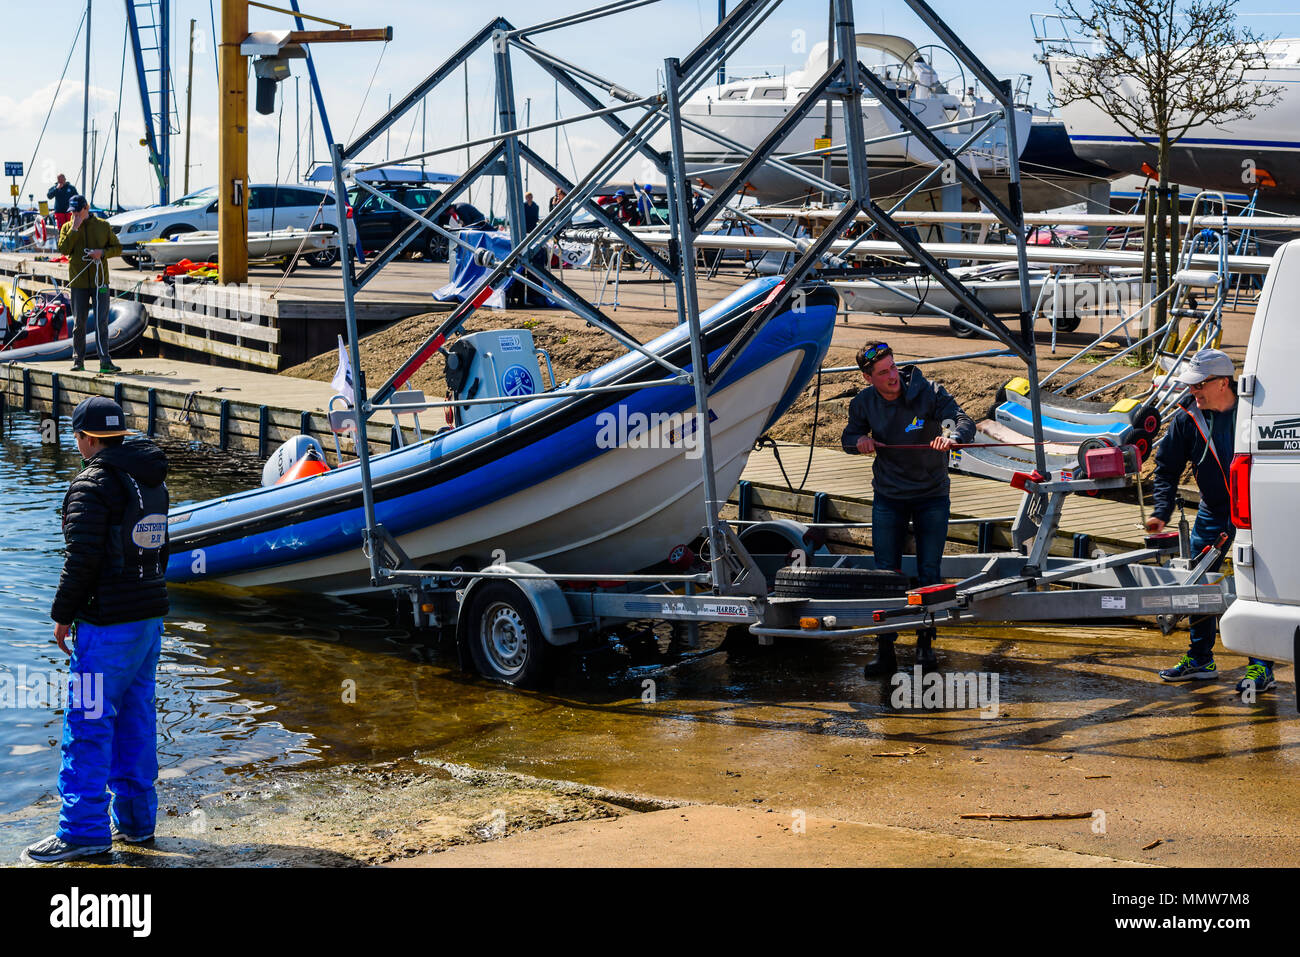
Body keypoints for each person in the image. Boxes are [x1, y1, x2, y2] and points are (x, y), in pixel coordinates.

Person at [24, 397, 169, 863]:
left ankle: (83, 831)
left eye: (76, 437)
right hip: (148, 619)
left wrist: (62, 614)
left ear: (86, 438)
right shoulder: (150, 476)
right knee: (135, 721)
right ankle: (137, 826)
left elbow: (81, 559)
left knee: (87, 726)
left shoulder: (93, 483)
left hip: (106, 624)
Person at [1146, 348, 1274, 694]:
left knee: (1257, 587)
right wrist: (1160, 512)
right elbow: (1167, 468)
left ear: (1222, 384)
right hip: (1214, 511)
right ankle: (1200, 659)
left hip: (1257, 512)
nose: (1193, 392)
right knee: (1200, 583)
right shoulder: (1188, 418)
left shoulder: (1257, 412)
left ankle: (1261, 666)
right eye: (1191, 385)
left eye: (1199, 385)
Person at [841, 341, 974, 675]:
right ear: (868, 377)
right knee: (886, 575)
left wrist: (951, 435)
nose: (892, 377)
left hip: (931, 494)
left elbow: (962, 420)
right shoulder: (863, 403)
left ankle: (925, 648)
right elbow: (848, 436)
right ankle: (885, 652)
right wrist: (859, 442)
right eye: (883, 372)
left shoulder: (928, 391)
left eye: (893, 367)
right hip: (889, 496)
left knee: (930, 572)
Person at [57, 195, 123, 373]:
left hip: (100, 281)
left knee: (102, 321)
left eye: (78, 211)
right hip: (78, 283)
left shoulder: (102, 225)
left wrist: (102, 253)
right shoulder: (67, 227)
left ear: (86, 208)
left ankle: (105, 362)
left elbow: (118, 248)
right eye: (72, 212)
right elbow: (63, 249)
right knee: (79, 323)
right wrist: (74, 230)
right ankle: (78, 361)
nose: (75, 215)